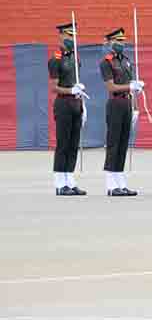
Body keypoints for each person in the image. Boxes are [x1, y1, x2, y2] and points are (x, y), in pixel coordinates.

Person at [99, 27, 139, 196]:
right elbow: (110, 86)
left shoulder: (126, 61)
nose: (121, 44)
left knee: (123, 143)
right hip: (115, 103)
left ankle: (120, 182)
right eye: (117, 41)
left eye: (122, 41)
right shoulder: (106, 62)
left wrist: (135, 106)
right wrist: (129, 86)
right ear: (109, 43)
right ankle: (111, 184)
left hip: (127, 103)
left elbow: (132, 86)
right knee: (114, 143)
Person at [49, 21, 86, 196]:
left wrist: (80, 98)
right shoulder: (56, 59)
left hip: (75, 103)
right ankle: (59, 182)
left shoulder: (75, 57)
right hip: (63, 103)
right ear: (62, 36)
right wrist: (70, 90)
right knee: (63, 144)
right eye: (69, 36)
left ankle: (70, 180)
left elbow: (75, 81)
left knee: (73, 144)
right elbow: (54, 87)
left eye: (74, 36)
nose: (72, 39)